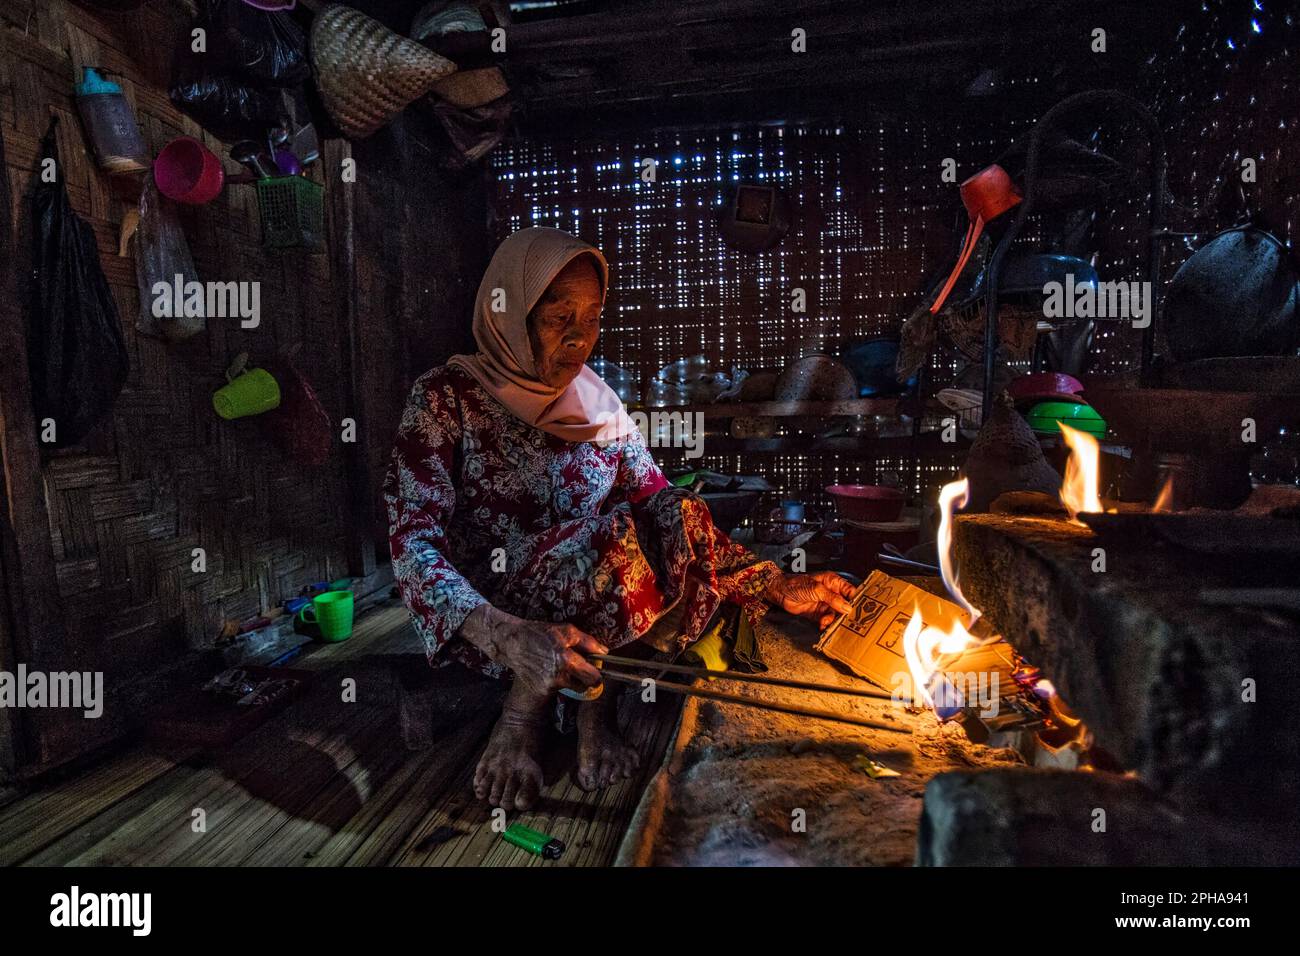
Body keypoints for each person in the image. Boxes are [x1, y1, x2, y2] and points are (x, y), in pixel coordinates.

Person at [385, 227, 853, 811]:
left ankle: (591, 710)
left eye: (592, 316)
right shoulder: (444, 397)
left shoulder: (596, 403)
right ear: (508, 311)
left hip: (594, 591)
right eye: (559, 317)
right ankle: (521, 716)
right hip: (494, 612)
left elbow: (665, 506)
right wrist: (505, 634)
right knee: (602, 542)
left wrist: (774, 582)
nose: (580, 337)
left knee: (672, 511)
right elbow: (413, 546)